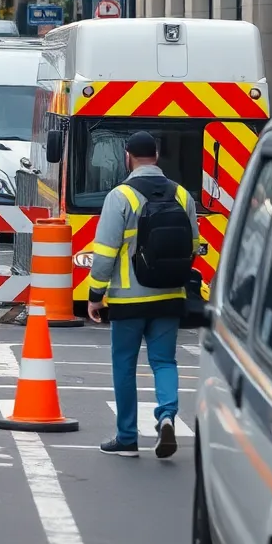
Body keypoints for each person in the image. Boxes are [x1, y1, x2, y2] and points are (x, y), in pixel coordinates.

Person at [87, 131, 199, 459]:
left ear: (128, 156)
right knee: (164, 361)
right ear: (157, 156)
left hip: (128, 299)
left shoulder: (120, 196)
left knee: (124, 365)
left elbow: (105, 252)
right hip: (169, 296)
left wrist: (96, 294)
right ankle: (166, 416)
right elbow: (192, 247)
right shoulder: (182, 196)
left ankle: (127, 437)